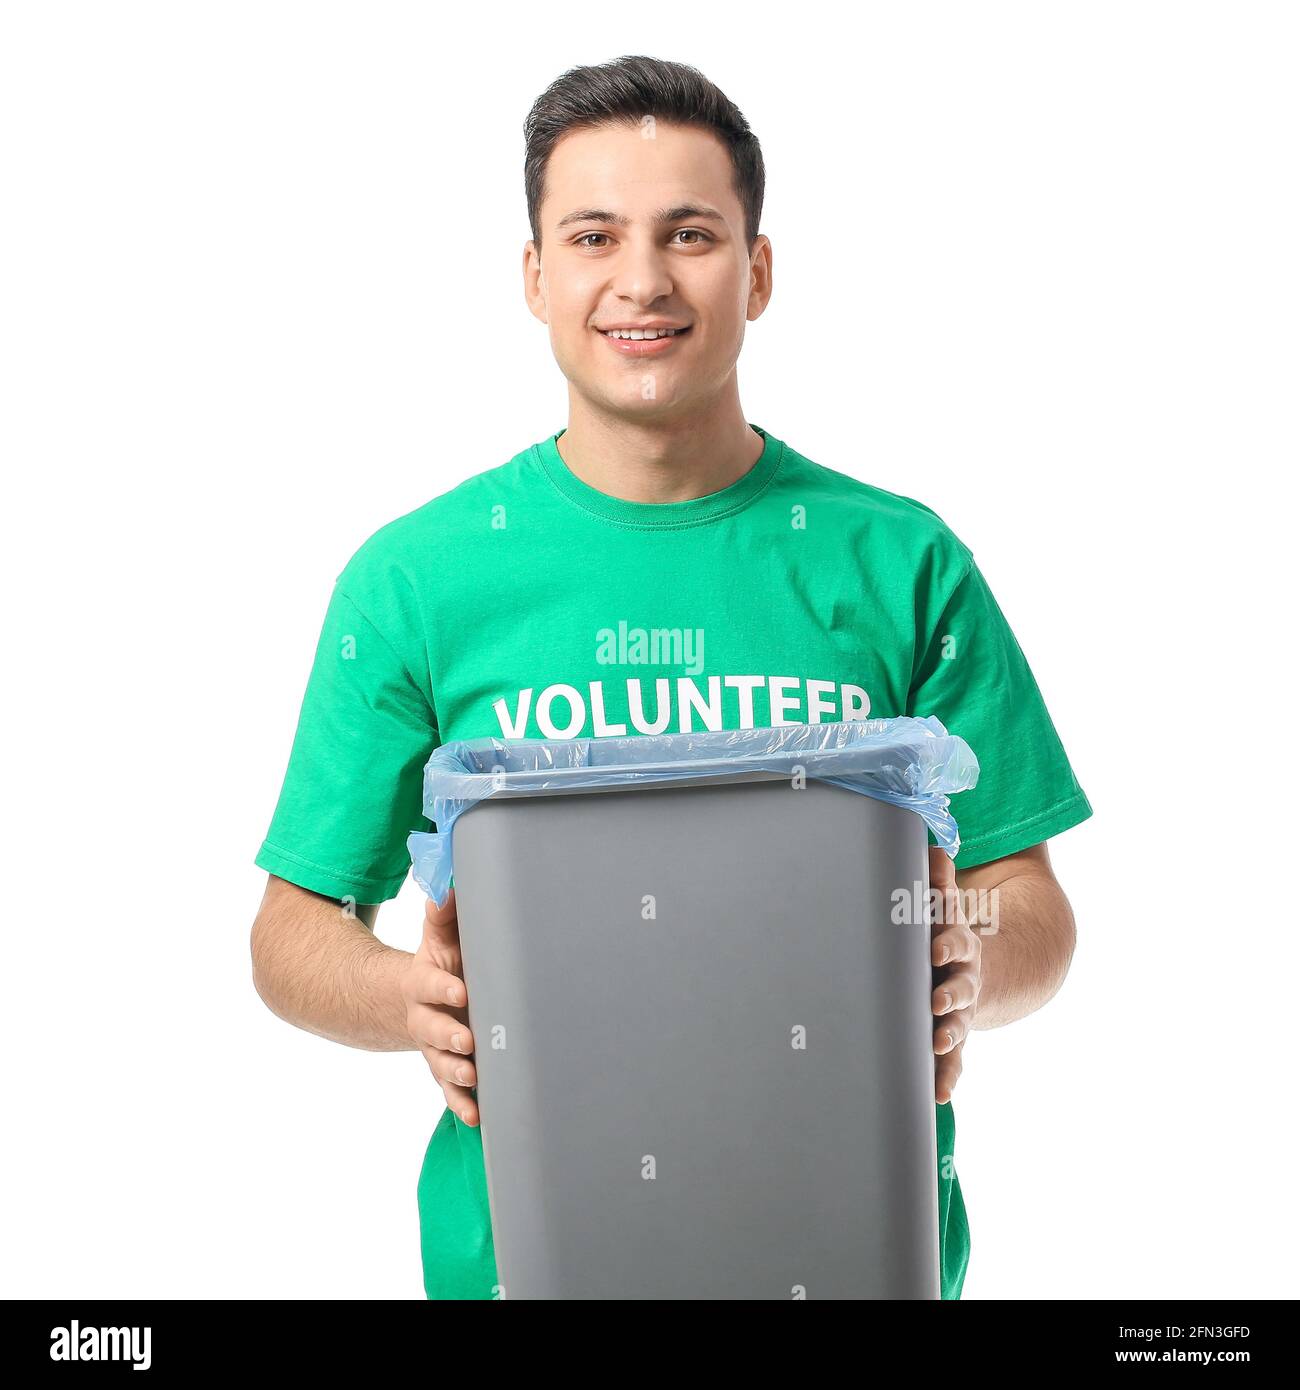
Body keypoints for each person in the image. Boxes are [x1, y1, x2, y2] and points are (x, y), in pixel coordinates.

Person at [250, 54, 1091, 1301]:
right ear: (535, 276)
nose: (640, 280)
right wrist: (418, 997)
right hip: (523, 1266)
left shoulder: (902, 562)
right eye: (593, 236)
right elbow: (290, 932)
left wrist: (958, 943)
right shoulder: (416, 580)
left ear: (756, 270)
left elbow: (1032, 904)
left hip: (856, 1257)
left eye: (688, 234)